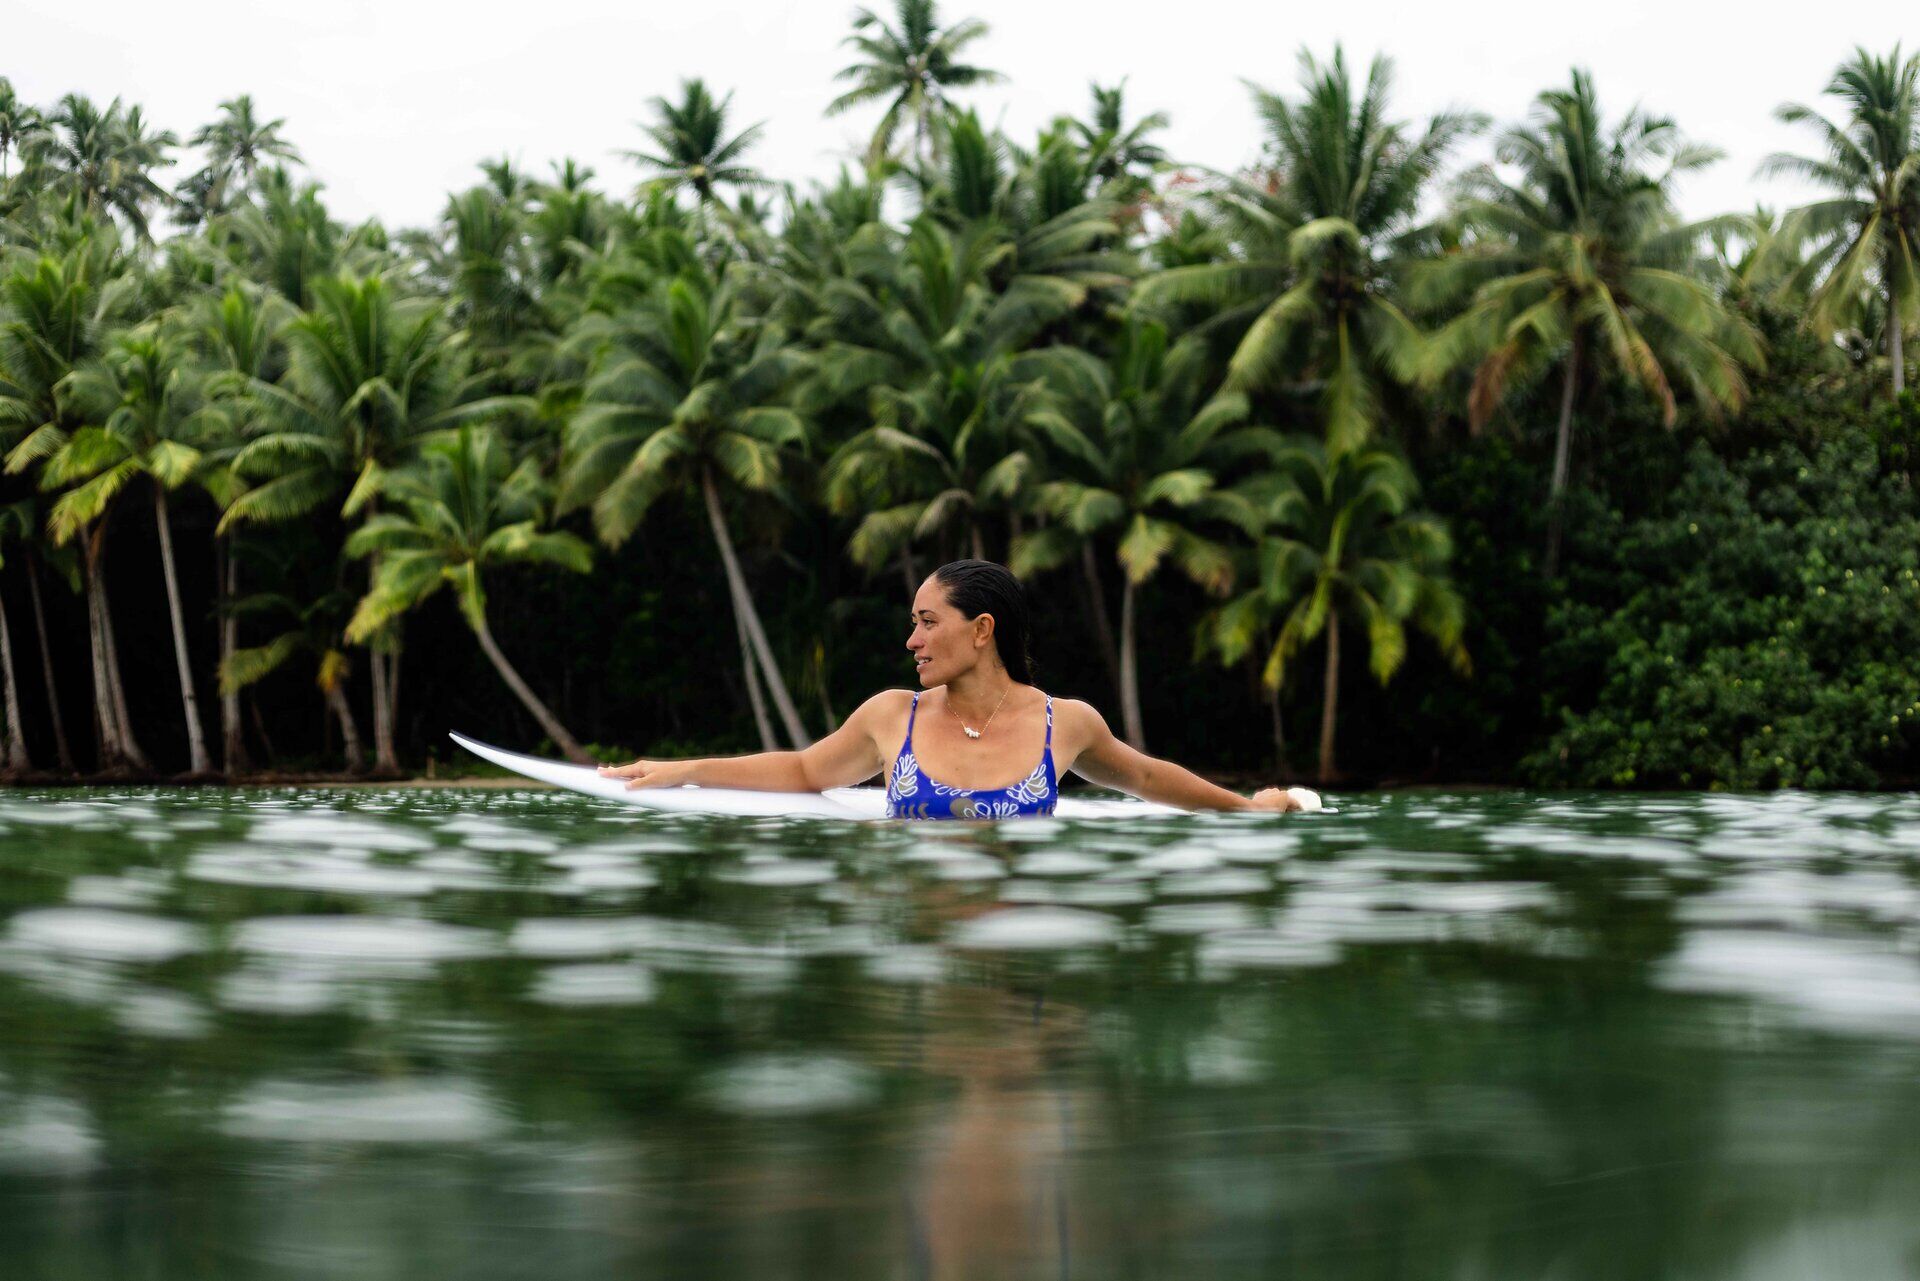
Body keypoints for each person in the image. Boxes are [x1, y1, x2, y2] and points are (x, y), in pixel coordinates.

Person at [600, 559, 1308, 817]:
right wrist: (685, 770)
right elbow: (804, 770)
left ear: (981, 630)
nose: (911, 640)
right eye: (912, 623)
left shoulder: (1066, 722)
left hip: (1022, 937)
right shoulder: (892, 715)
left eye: (927, 621)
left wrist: (1247, 808)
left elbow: (1149, 779)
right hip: (919, 941)